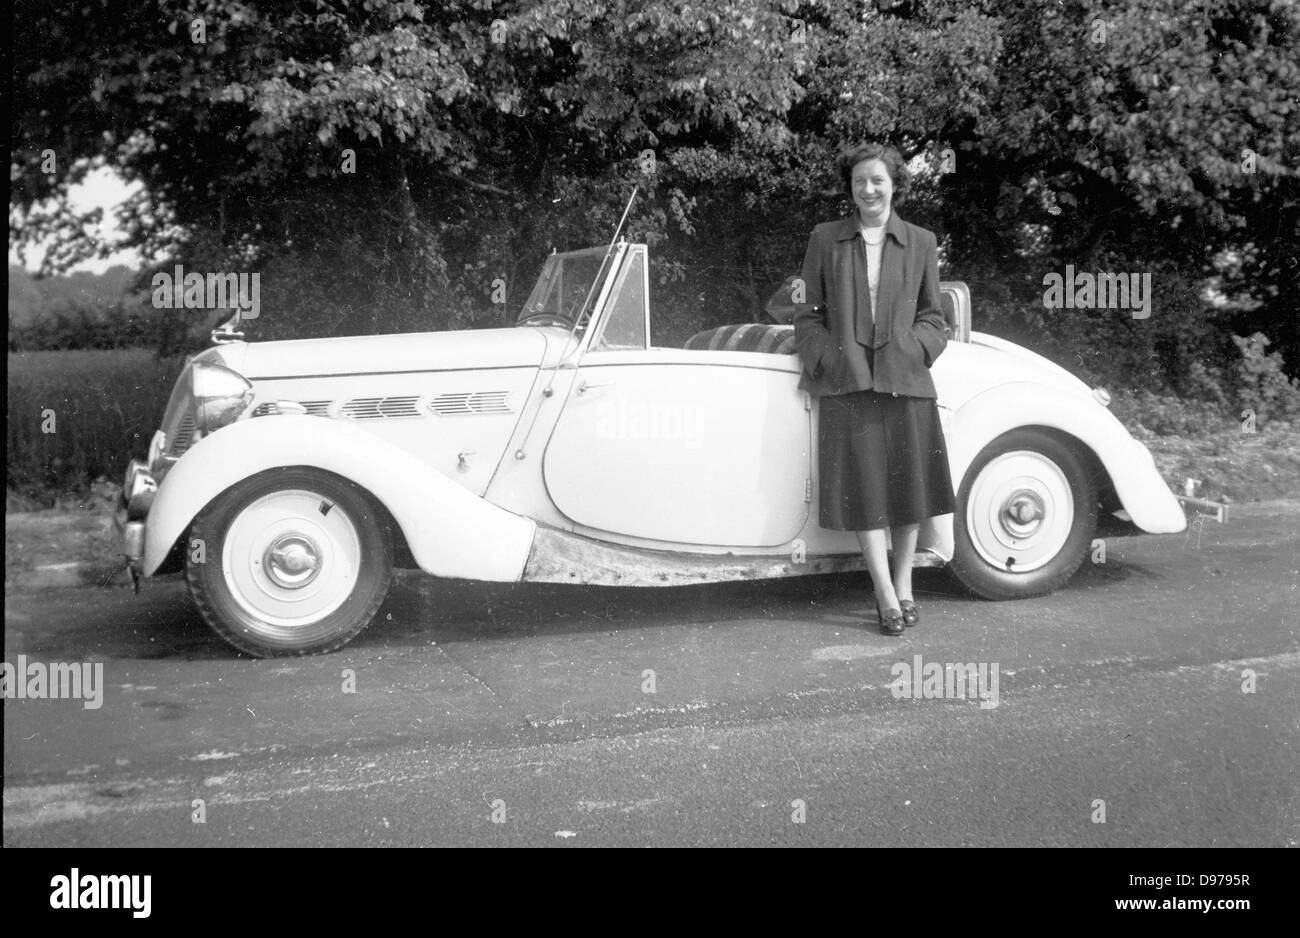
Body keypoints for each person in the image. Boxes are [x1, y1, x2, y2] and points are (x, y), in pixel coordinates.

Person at [793, 142, 955, 636]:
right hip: (849, 383)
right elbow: (806, 314)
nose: (869, 189)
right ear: (850, 188)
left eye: (877, 180)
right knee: (866, 491)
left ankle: (904, 584)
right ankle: (883, 592)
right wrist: (829, 356)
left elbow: (934, 316)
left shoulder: (921, 241)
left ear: (893, 185)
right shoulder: (825, 238)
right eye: (860, 181)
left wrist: (916, 349)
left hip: (905, 381)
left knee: (908, 490)